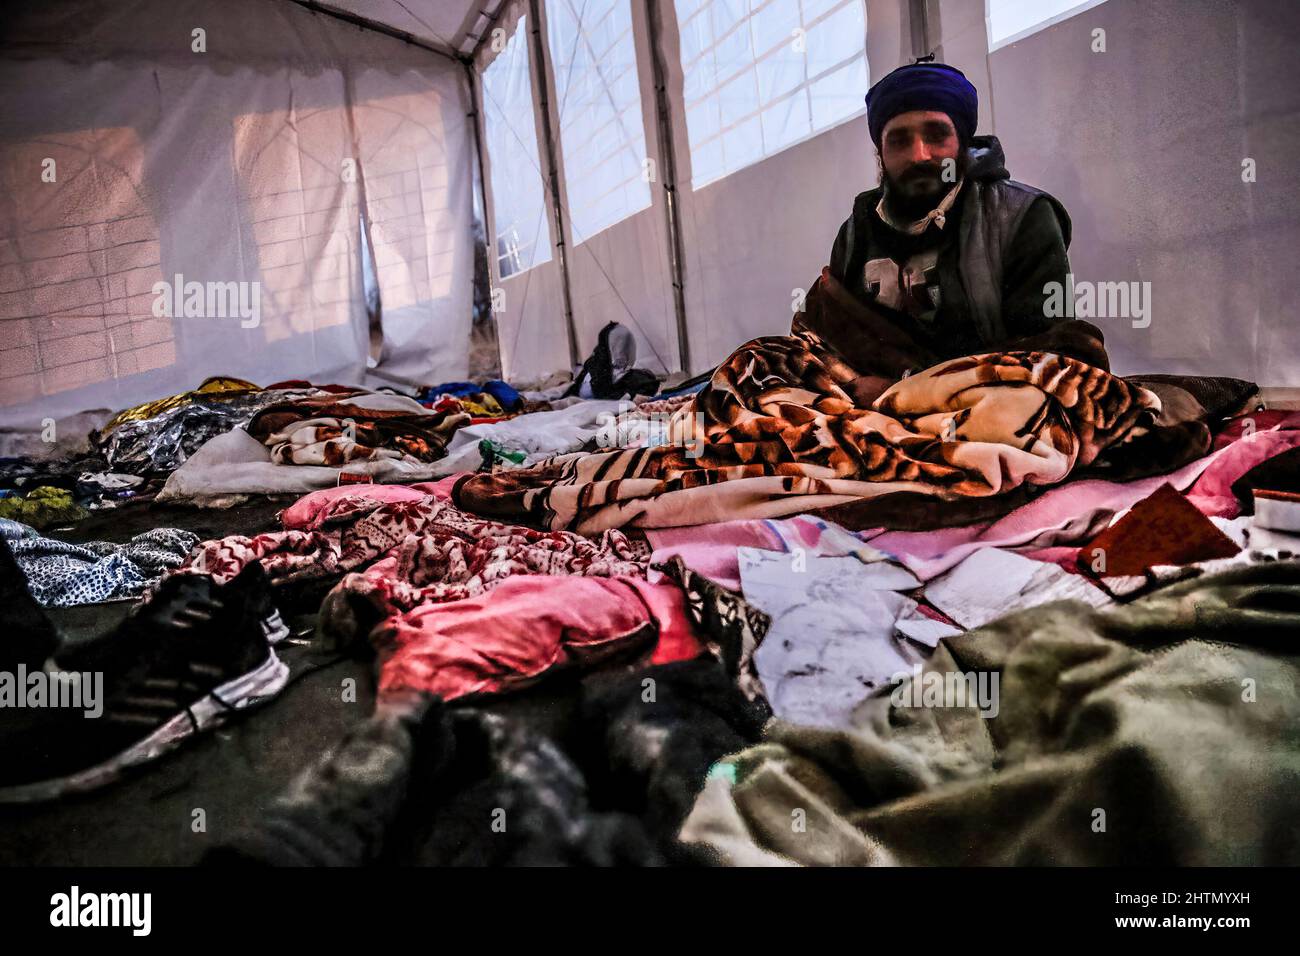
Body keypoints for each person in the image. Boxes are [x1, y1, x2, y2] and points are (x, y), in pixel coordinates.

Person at [806, 59, 1084, 404]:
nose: (920, 155)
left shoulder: (1023, 218)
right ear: (880, 152)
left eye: (937, 135)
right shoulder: (854, 234)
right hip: (872, 412)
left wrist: (906, 390)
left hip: (988, 405)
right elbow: (831, 341)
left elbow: (1053, 355)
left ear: (962, 142)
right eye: (899, 141)